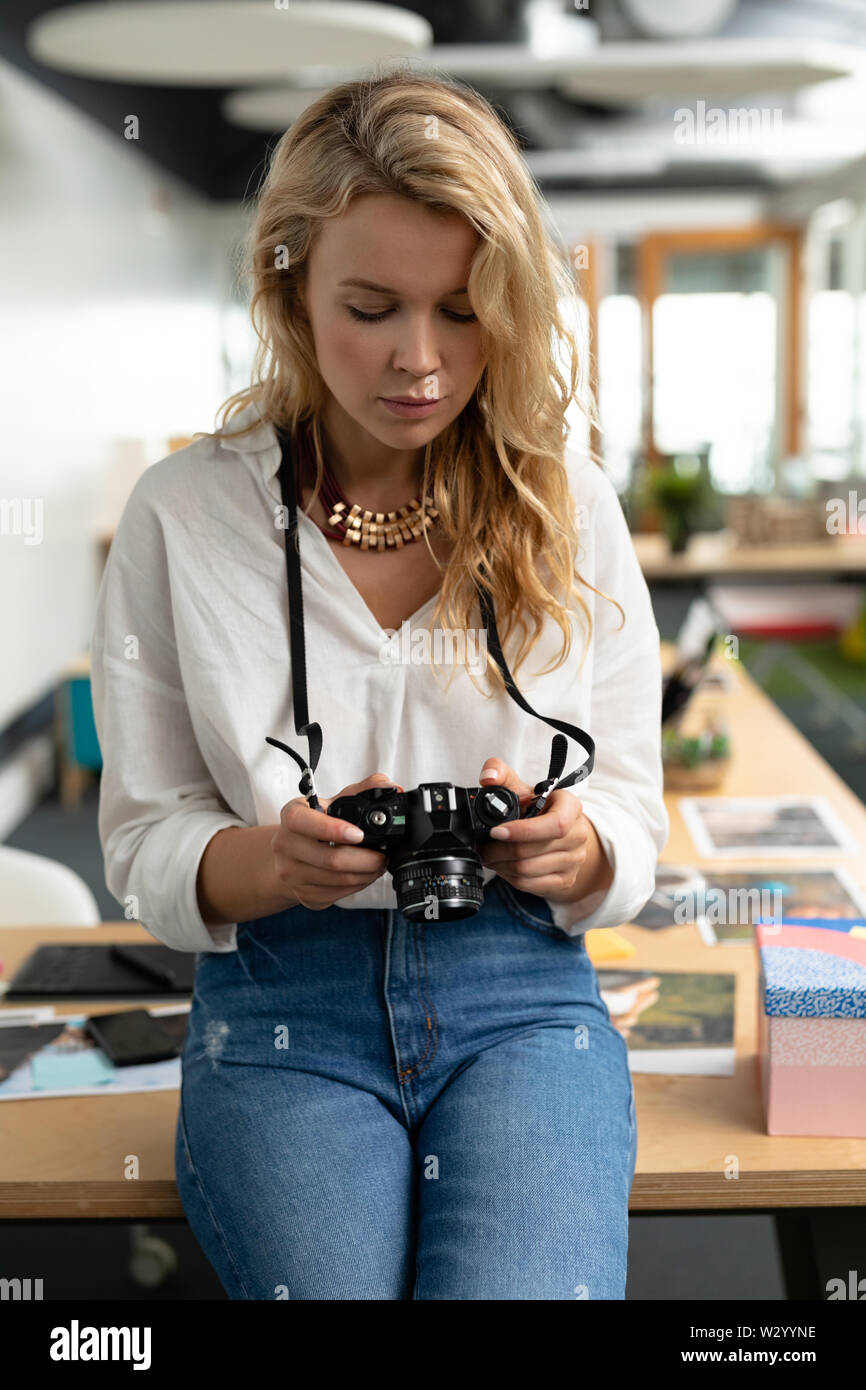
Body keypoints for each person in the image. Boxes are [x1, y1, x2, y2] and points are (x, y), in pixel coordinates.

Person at [90, 69, 668, 1300]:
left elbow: (630, 811)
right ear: (290, 289)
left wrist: (579, 850)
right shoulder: (182, 518)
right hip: (283, 987)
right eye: (370, 306)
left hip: (520, 988)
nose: (420, 360)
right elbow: (143, 838)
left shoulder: (568, 503)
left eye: (463, 311)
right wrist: (271, 864)